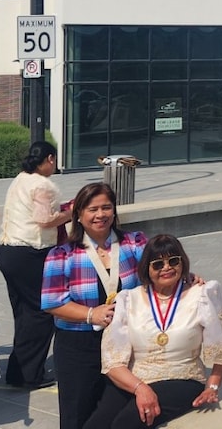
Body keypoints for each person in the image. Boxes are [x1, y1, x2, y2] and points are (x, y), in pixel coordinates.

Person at [86, 234, 222, 428]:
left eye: (173, 261)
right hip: (136, 377)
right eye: (158, 264)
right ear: (147, 269)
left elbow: (221, 350)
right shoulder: (128, 300)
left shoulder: (201, 294)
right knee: (95, 425)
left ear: (183, 263)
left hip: (181, 378)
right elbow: (112, 362)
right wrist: (140, 389)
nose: (166, 268)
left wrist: (212, 386)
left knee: (126, 423)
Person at [41, 182, 147, 429]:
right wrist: (91, 314)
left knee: (117, 413)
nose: (100, 215)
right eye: (92, 209)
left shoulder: (134, 244)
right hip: (79, 346)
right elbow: (51, 302)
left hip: (125, 342)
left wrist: (189, 278)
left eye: (106, 208)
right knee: (77, 414)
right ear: (78, 214)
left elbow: (161, 269)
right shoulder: (63, 254)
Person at [0, 141, 71, 389]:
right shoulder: (42, 184)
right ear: (50, 159)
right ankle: (29, 375)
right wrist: (71, 213)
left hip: (7, 250)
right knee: (42, 312)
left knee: (24, 313)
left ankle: (19, 372)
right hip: (29, 253)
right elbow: (44, 220)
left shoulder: (21, 178)